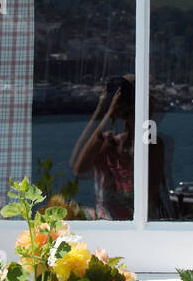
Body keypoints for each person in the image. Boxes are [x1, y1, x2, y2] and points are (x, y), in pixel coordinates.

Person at [70, 75, 170, 219]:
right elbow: (78, 168)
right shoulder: (106, 143)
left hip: (141, 228)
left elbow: (150, 190)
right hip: (108, 226)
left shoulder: (154, 143)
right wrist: (104, 111)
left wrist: (143, 115)